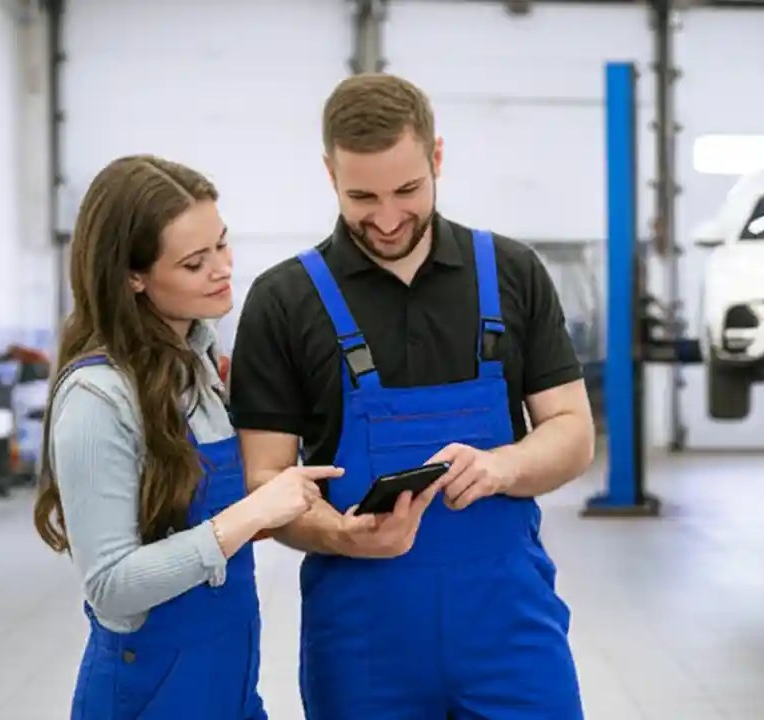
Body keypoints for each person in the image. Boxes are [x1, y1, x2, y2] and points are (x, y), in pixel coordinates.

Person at [228, 72, 597, 718]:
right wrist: (342, 535)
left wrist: (503, 466)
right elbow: (265, 480)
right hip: (365, 645)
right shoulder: (283, 300)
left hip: (510, 632)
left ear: (437, 157)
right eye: (362, 196)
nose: (388, 218)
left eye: (407, 190)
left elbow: (572, 431)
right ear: (329, 172)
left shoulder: (512, 273)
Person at [32, 154, 345, 719]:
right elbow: (111, 585)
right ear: (134, 276)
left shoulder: (201, 367)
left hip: (229, 685)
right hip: (150, 695)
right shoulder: (98, 397)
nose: (222, 269)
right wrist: (247, 516)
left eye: (222, 245)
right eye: (195, 262)